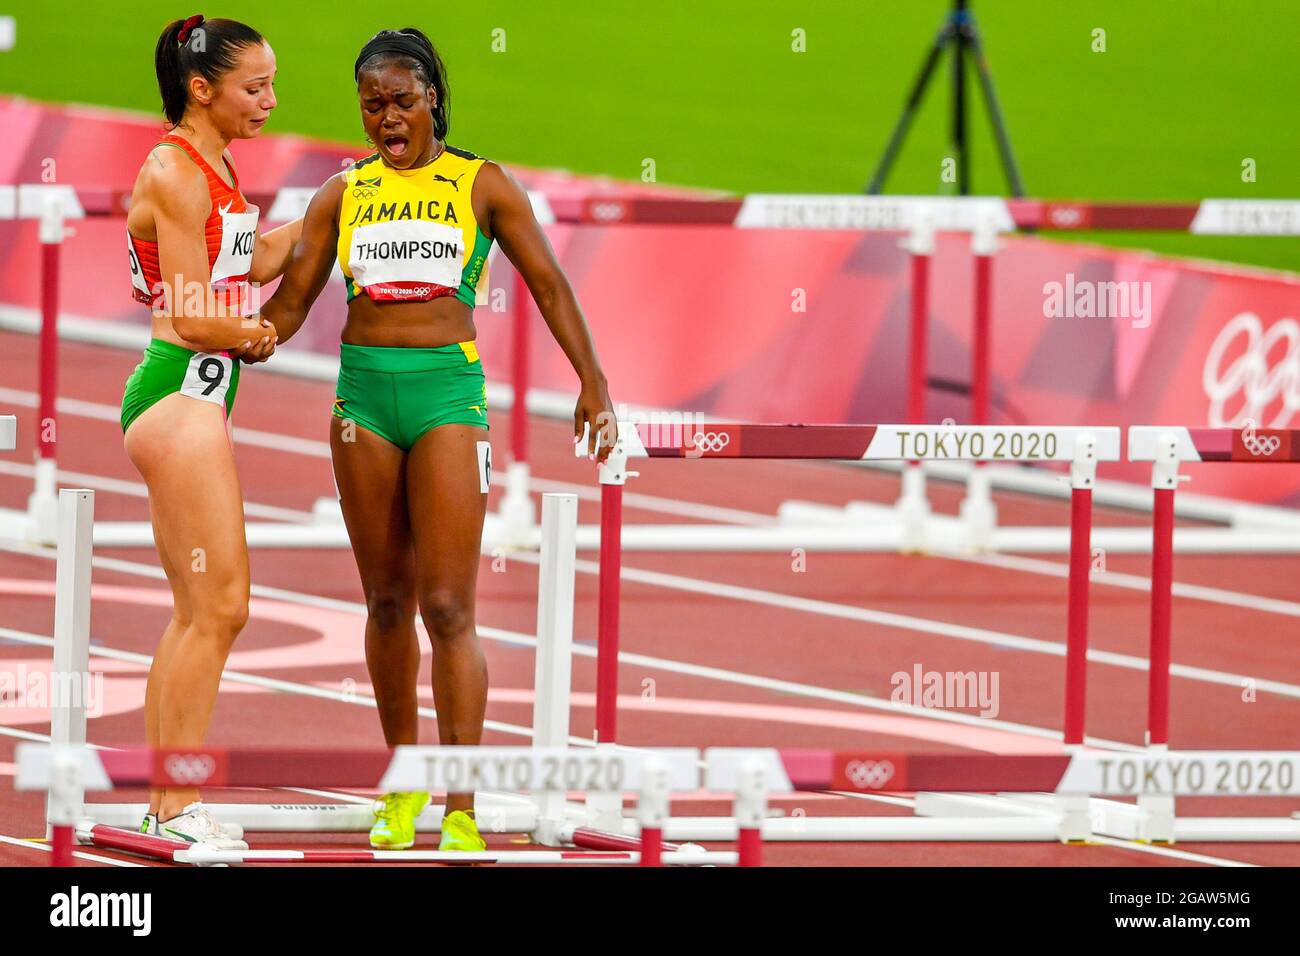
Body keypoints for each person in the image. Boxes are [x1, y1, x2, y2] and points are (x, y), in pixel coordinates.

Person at [259, 27, 615, 851]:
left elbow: (551, 285)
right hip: (362, 400)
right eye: (372, 104)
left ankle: (461, 803)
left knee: (449, 606)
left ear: (433, 101)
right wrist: (238, 339)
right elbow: (291, 304)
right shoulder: (340, 193)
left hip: (447, 396)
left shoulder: (482, 184)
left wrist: (592, 380)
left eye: (402, 101)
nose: (388, 117)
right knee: (387, 602)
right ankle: (403, 783)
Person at [121, 14, 300, 848]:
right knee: (223, 606)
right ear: (202, 89)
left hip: (196, 397)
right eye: (253, 86)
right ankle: (179, 808)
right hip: (179, 394)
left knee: (196, 612)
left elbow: (253, 263)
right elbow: (192, 314)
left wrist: (336, 206)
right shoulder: (176, 171)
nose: (269, 100)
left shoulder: (211, 162)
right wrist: (255, 334)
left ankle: (162, 804)